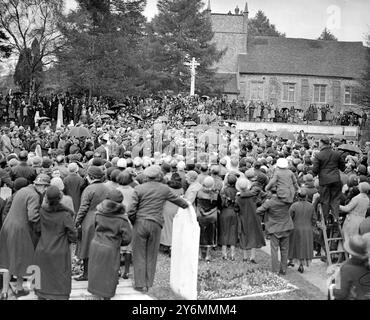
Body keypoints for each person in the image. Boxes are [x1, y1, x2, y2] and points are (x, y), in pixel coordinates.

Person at [127, 165, 189, 292]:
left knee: (139, 254)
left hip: (140, 222)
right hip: (156, 224)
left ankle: (139, 283)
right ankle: (148, 283)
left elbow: (131, 210)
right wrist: (187, 204)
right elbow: (181, 203)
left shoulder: (139, 189)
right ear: (159, 176)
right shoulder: (164, 189)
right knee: (152, 254)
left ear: (147, 176)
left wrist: (135, 221)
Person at [0, 174, 50, 300]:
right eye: (45, 187)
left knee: (7, 258)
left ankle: (5, 291)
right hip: (20, 230)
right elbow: (33, 216)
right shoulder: (33, 195)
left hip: (7, 227)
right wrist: (42, 226)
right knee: (23, 257)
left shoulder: (22, 190)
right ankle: (20, 288)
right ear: (42, 186)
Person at [34, 186, 77, 300]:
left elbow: (37, 228)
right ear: (60, 198)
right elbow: (73, 234)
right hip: (60, 250)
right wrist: (68, 240)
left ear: (46, 198)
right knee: (60, 279)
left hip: (42, 248)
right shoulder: (65, 214)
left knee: (43, 279)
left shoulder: (42, 211)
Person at [88, 189, 132, 300]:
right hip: (111, 247)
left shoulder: (98, 213)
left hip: (96, 244)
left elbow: (94, 227)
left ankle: (95, 295)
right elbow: (128, 238)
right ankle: (106, 296)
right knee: (109, 273)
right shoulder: (122, 219)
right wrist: (118, 242)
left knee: (95, 270)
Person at [74, 166, 110, 281]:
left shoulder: (89, 189)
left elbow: (83, 207)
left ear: (90, 177)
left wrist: (77, 222)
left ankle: (86, 274)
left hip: (89, 220)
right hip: (104, 218)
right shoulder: (107, 188)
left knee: (86, 247)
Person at [256, 187, 294, 275]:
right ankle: (283, 269)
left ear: (271, 192)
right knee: (285, 250)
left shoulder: (269, 203)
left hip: (275, 228)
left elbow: (258, 211)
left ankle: (275, 270)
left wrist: (266, 212)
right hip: (286, 226)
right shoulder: (287, 201)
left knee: (274, 250)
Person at [313, 137, 346, 221]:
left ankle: (325, 218)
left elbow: (315, 170)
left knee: (325, 200)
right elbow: (343, 167)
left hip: (324, 181)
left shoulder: (318, 155)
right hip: (336, 179)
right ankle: (335, 217)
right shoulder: (337, 154)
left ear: (322, 143)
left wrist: (314, 174)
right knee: (335, 199)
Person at [235, 178, 266, 263]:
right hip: (254, 217)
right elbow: (260, 202)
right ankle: (252, 257)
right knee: (253, 235)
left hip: (243, 217)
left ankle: (245, 257)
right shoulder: (253, 196)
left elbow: (236, 208)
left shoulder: (238, 197)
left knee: (244, 235)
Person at [331, 235, 370, 300]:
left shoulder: (346, 269)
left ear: (350, 252)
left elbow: (340, 294)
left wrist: (333, 287)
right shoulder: (367, 266)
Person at [287, 189, 317, 273]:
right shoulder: (311, 206)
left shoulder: (294, 205)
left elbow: (289, 217)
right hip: (307, 229)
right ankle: (301, 265)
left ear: (298, 196)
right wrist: (312, 225)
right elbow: (314, 218)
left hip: (295, 228)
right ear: (306, 196)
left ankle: (291, 260)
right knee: (304, 247)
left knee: (294, 245)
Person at [195, 176, 220, 262]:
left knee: (200, 233)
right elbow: (219, 205)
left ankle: (199, 254)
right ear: (213, 184)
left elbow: (196, 203)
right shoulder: (216, 194)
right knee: (210, 234)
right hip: (212, 217)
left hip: (200, 216)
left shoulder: (198, 192)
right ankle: (208, 255)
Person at [160, 173, 184, 256]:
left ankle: (167, 245)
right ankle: (172, 246)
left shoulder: (167, 188)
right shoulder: (181, 189)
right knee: (175, 228)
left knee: (167, 228)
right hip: (177, 209)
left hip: (167, 209)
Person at [219, 174, 238, 260]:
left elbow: (222, 204)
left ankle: (224, 254)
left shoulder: (223, 190)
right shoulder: (237, 191)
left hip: (225, 212)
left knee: (224, 231)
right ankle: (232, 254)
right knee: (233, 232)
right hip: (234, 212)